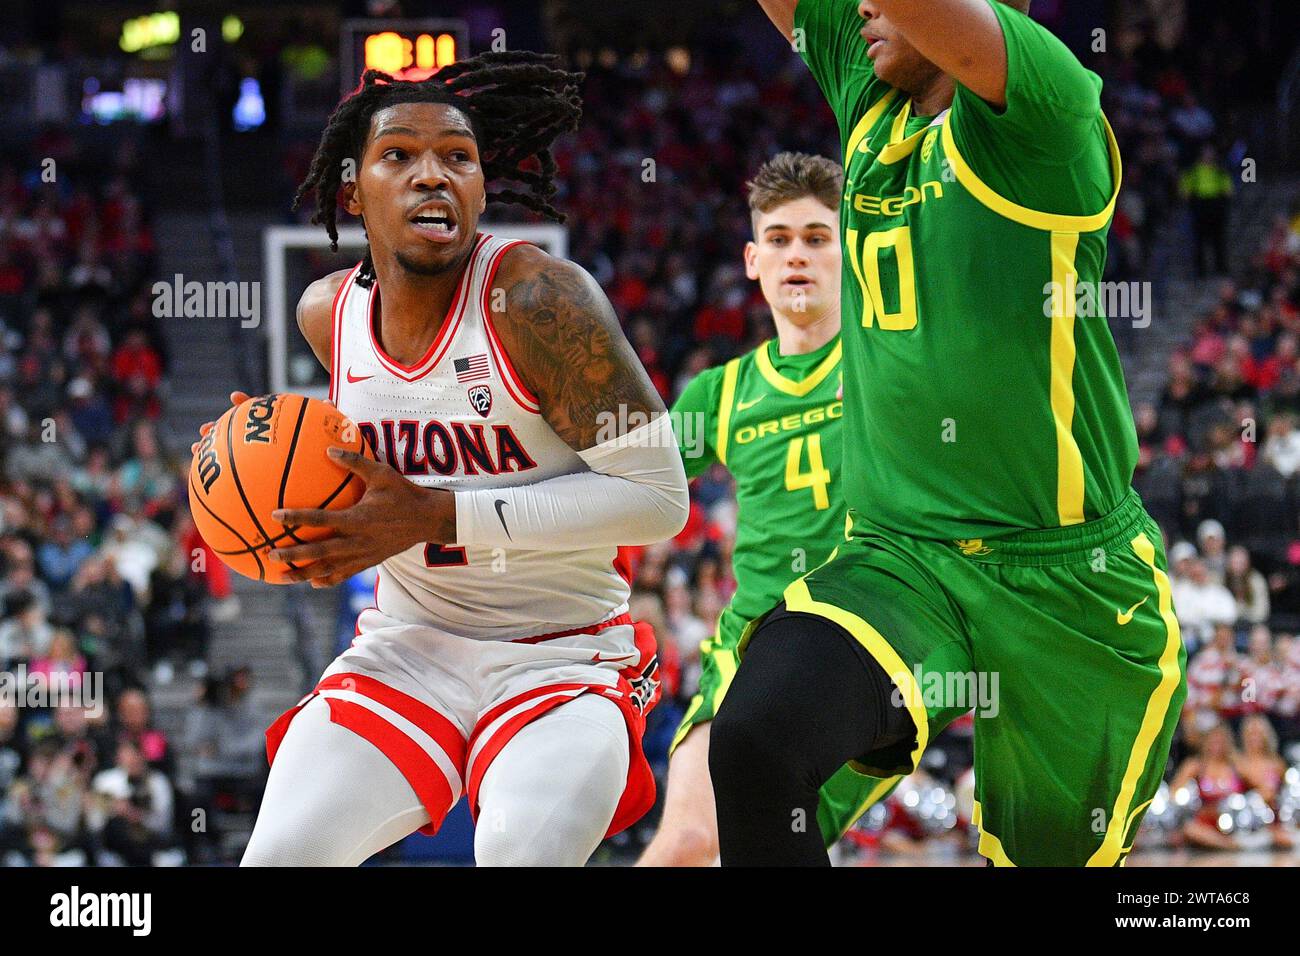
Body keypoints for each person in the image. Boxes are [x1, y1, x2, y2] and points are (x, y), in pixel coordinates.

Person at [712, 0, 1187, 866]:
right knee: (754, 742)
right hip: (905, 557)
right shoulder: (874, 94)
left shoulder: (1045, 109)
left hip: (1069, 581)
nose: (857, 6)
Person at [197, 52, 689, 866]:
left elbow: (659, 499)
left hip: (562, 656)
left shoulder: (538, 300)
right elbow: (322, 466)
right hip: (408, 647)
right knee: (278, 857)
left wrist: (440, 514)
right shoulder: (329, 315)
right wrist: (231, 464)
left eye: (458, 158)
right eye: (400, 156)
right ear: (354, 190)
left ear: (482, 186)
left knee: (515, 855)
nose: (434, 175)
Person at [638, 153, 890, 866]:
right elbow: (629, 485)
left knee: (756, 845)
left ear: (850, 253)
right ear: (753, 260)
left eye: (817, 237)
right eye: (779, 239)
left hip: (863, 646)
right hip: (747, 646)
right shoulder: (721, 391)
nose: (797, 255)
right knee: (688, 842)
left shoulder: (890, 363)